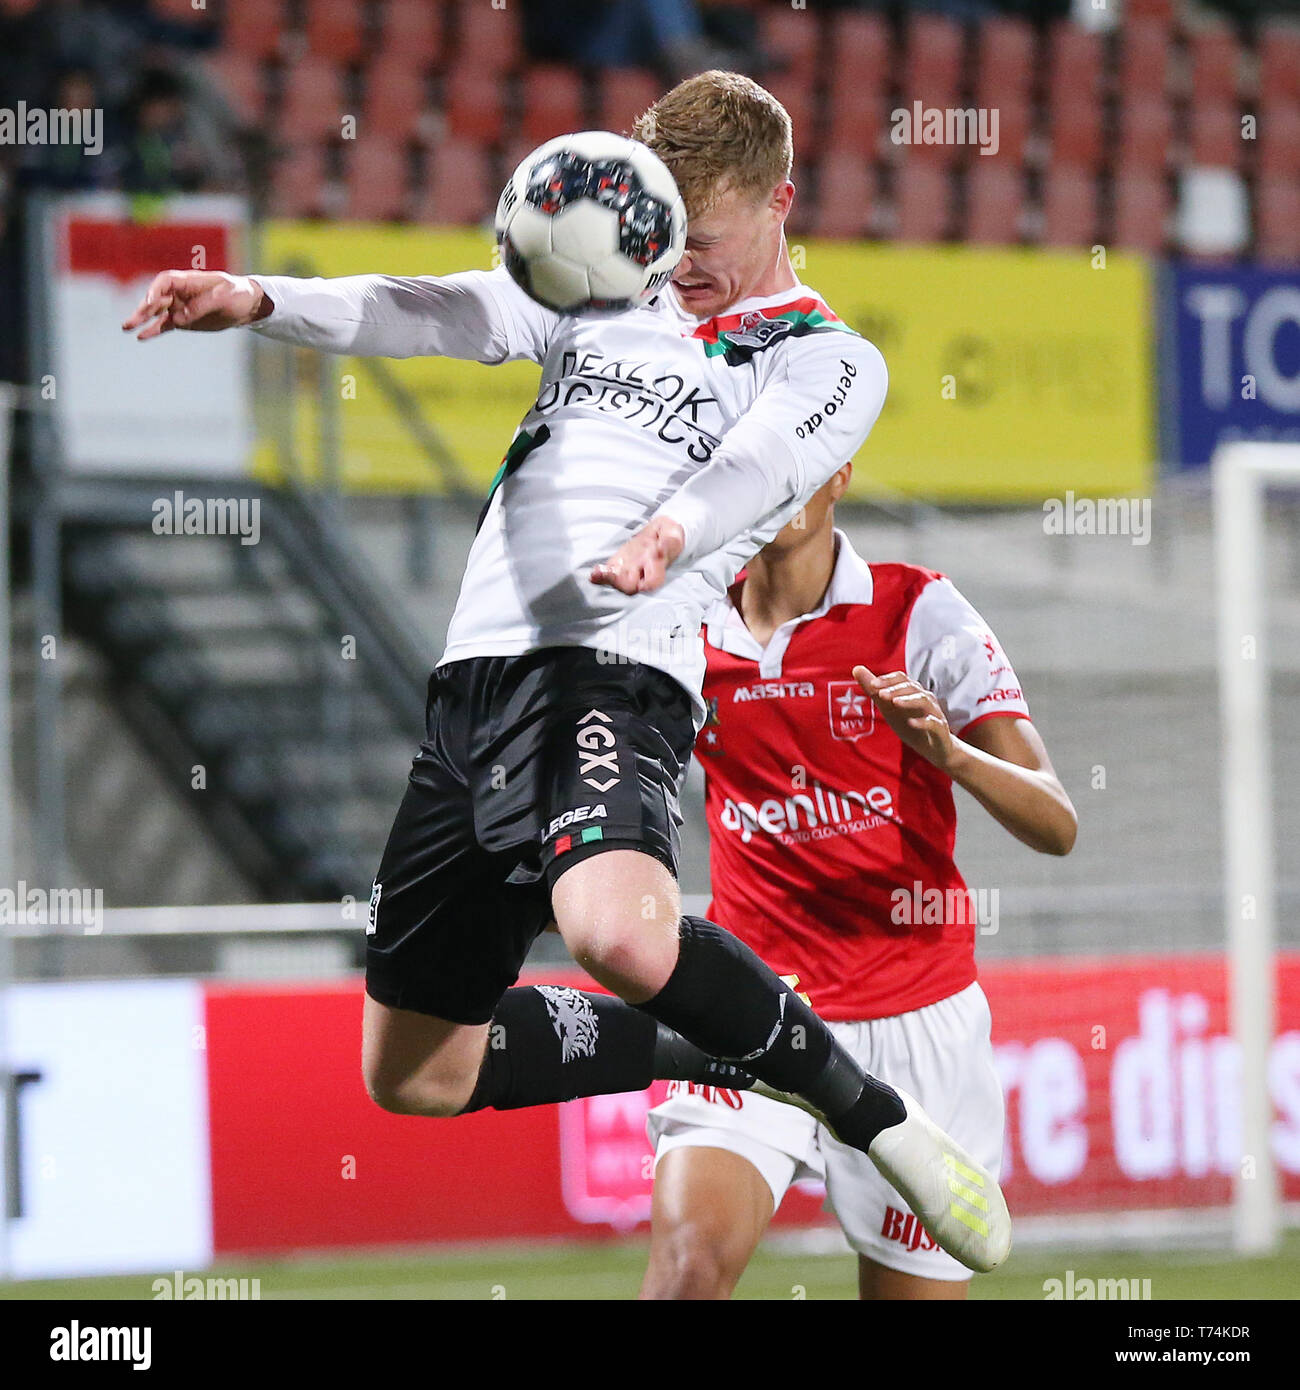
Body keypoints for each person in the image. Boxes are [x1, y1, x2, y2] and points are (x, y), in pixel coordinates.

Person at [122, 70, 1010, 1273]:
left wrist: (670, 535)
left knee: (620, 937)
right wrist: (255, 296)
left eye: (705, 236)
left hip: (616, 665)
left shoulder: (829, 359)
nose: (679, 259)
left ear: (780, 202)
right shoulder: (605, 294)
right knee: (415, 1072)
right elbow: (432, 311)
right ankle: (712, 1049)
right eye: (664, 229)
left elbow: (759, 465)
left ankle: (872, 1115)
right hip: (472, 686)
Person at [640, 464, 1077, 1299]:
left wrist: (950, 753)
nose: (774, 486)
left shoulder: (919, 612)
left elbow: (1056, 822)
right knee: (687, 1272)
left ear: (839, 471)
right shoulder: (683, 620)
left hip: (920, 1031)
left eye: (797, 463)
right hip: (755, 1010)